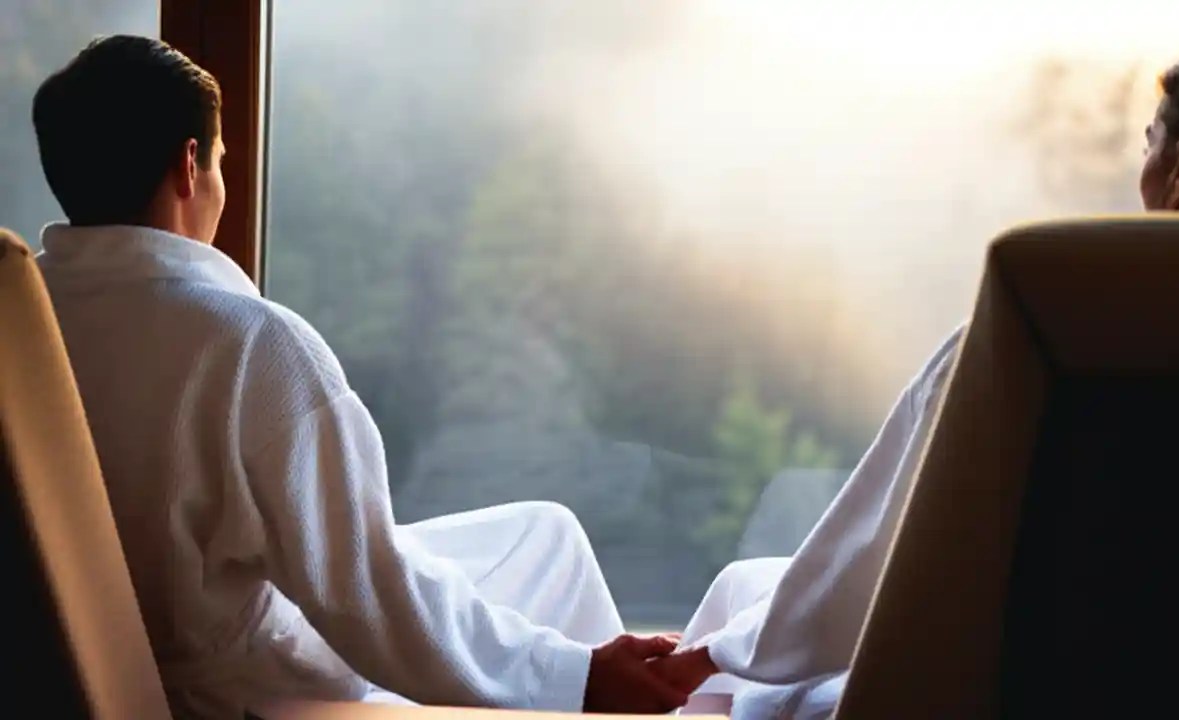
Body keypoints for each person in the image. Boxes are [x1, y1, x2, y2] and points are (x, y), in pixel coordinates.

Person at [31, 35, 697, 718]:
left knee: (544, 535)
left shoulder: (25, 329)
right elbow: (367, 592)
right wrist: (578, 675)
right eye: (224, 162)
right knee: (553, 606)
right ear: (189, 164)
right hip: (245, 689)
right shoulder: (245, 344)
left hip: (95, 665)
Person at [648, 31, 1179, 708]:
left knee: (746, 668)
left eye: (1149, 144)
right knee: (750, 592)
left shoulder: (1059, 323)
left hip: (1032, 681)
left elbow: (876, 564)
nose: (1142, 170)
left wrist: (713, 656)